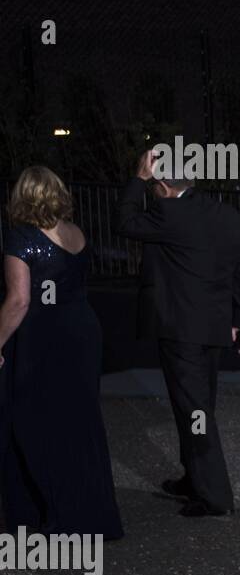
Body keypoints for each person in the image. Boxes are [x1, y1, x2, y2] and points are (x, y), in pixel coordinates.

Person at [114, 149, 240, 517]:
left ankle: (214, 496)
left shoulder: (168, 213)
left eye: (154, 186)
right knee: (196, 406)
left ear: (163, 185)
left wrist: (138, 178)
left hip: (182, 330)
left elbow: (124, 222)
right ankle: (194, 478)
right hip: (215, 327)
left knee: (195, 409)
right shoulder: (225, 213)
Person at [0, 167, 123, 538]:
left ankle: (56, 516)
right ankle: (90, 516)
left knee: (32, 425)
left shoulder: (21, 237)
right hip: (82, 330)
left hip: (43, 336)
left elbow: (19, 300)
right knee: (80, 423)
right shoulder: (75, 233)